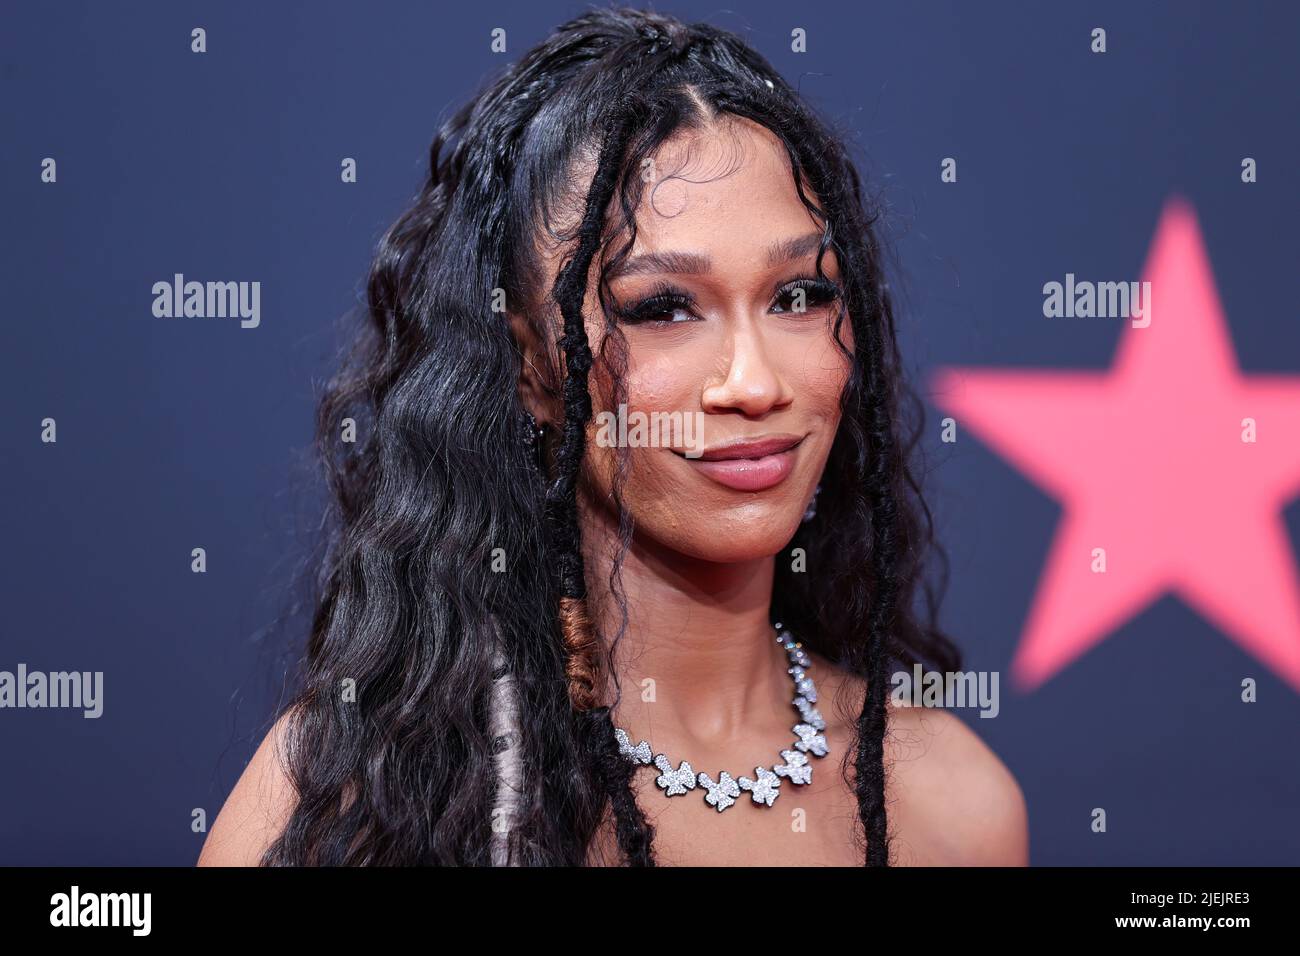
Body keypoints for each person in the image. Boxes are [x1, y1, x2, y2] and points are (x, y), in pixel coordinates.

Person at [198, 6, 1027, 867]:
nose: (755, 381)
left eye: (799, 296)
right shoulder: (359, 802)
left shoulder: (954, 806)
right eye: (663, 307)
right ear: (529, 369)